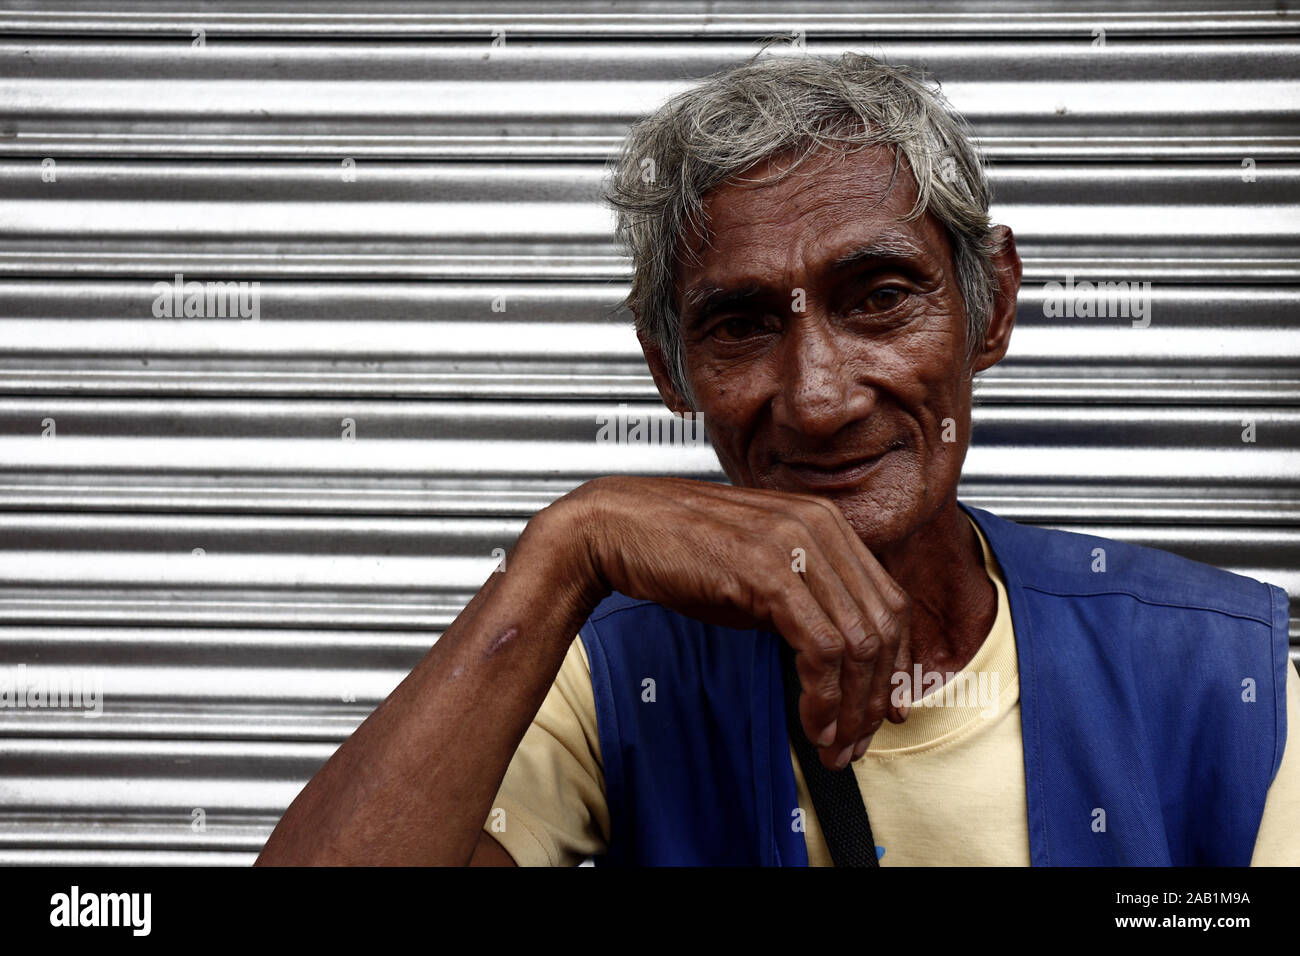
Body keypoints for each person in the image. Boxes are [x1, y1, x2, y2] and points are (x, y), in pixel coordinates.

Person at [255, 51, 1300, 867]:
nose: (817, 398)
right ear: (667, 367)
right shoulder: (614, 674)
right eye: (741, 324)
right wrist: (565, 548)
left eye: (880, 297)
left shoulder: (1220, 675)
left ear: (992, 307)